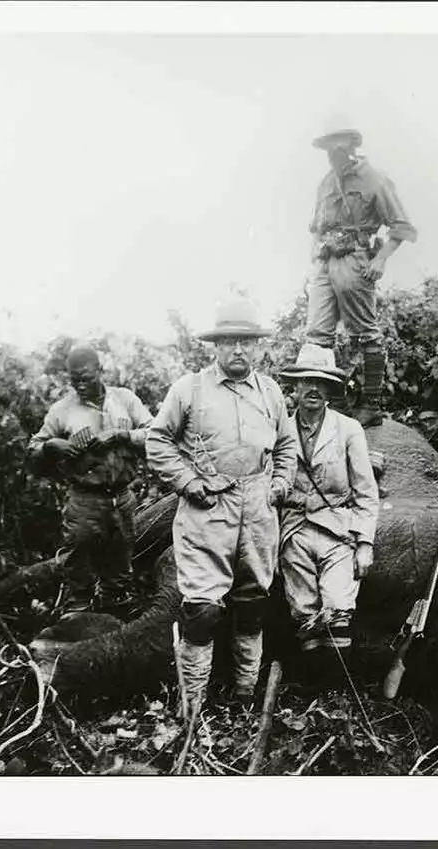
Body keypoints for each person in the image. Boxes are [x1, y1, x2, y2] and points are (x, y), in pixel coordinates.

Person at [145, 298, 298, 712]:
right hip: (207, 508)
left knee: (252, 604)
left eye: (246, 342)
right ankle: (192, 706)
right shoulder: (190, 389)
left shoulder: (270, 392)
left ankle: (246, 697)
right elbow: (157, 441)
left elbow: (286, 444)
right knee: (203, 611)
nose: (238, 350)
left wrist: (280, 483)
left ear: (258, 347)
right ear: (215, 346)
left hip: (259, 508)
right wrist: (188, 482)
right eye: (229, 342)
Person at [278, 343, 380, 689]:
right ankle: (313, 691)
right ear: (294, 387)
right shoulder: (280, 430)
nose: (314, 390)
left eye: (322, 383)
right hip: (293, 531)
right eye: (307, 381)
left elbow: (366, 491)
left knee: (338, 609)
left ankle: (338, 693)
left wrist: (365, 543)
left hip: (338, 529)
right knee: (305, 613)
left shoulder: (348, 429)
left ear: (331, 390)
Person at [306, 118, 417, 427]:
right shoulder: (326, 183)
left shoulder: (375, 180)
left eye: (338, 146)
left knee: (365, 333)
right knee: (317, 334)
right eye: (328, 147)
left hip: (356, 258)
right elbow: (316, 228)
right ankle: (338, 405)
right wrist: (313, 264)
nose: (332, 153)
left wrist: (380, 260)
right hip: (326, 260)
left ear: (352, 145)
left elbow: (401, 226)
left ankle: (371, 404)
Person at [27, 344, 153, 615]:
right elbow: (34, 448)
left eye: (86, 378)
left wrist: (122, 436)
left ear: (100, 371)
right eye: (75, 380)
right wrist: (53, 446)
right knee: (79, 567)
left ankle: (115, 622)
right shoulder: (62, 409)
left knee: (119, 568)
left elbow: (155, 433)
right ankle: (77, 623)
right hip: (85, 499)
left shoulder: (125, 400)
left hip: (122, 496)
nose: (81, 385)